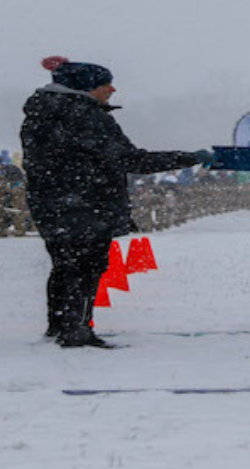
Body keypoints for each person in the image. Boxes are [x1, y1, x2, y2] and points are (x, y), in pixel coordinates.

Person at [21, 56, 214, 348]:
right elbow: (130, 159)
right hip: (87, 202)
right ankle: (76, 329)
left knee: (64, 263)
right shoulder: (86, 116)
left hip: (51, 201)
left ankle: (60, 325)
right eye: (105, 83)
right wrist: (190, 158)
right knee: (87, 265)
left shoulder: (40, 115)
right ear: (86, 87)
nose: (112, 89)